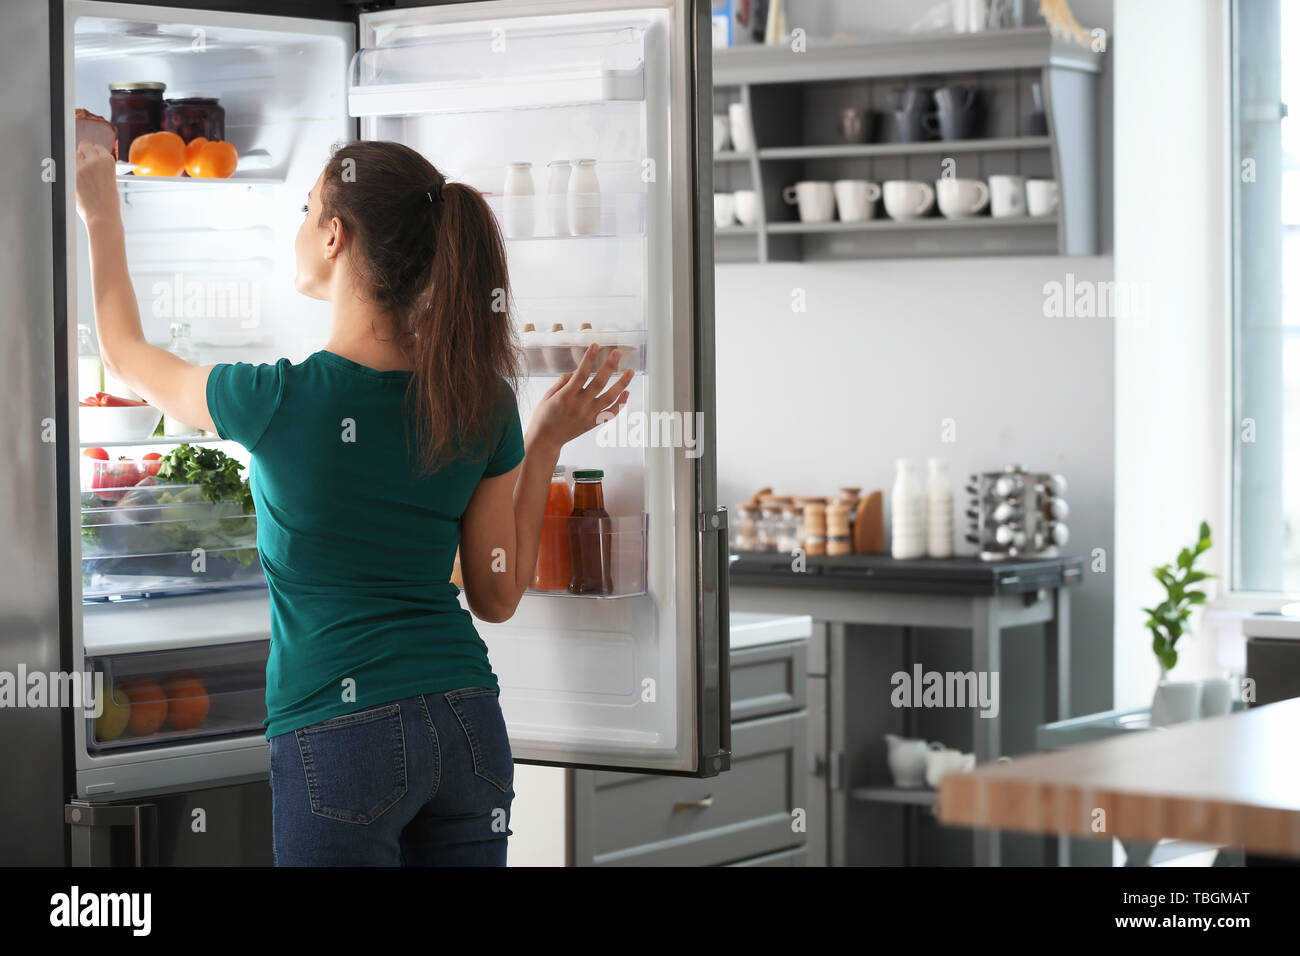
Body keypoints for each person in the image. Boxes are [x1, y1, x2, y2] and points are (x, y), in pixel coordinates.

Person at [74, 139, 632, 865]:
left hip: (342, 736)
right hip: (467, 721)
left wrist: (98, 206)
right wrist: (544, 443)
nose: (301, 225)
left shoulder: (274, 398)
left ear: (336, 236)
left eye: (308, 210)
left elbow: (123, 353)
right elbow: (494, 594)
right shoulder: (478, 399)